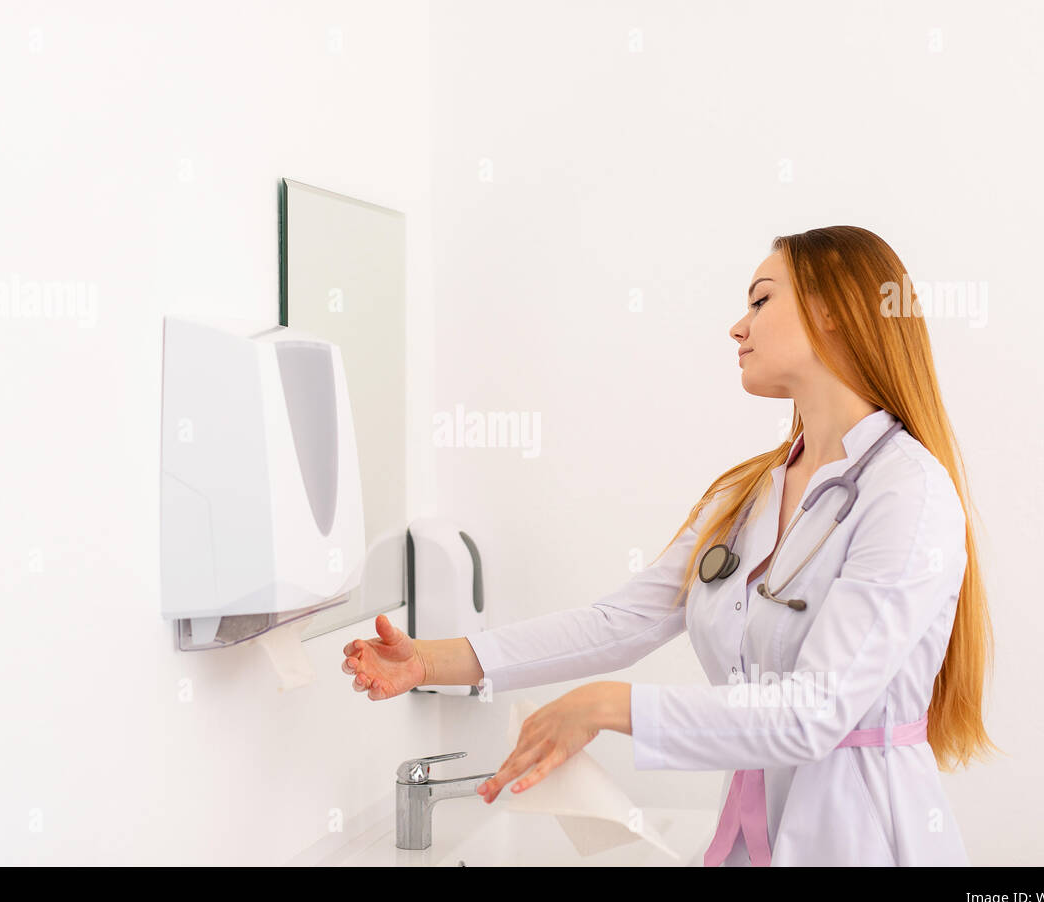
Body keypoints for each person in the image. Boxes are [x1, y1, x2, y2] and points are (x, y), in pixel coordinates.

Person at [341, 224, 998, 866]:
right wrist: (427, 662)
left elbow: (815, 710)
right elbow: (621, 622)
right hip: (747, 835)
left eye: (761, 300)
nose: (737, 327)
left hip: (864, 838)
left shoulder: (908, 494)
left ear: (833, 310)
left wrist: (608, 706)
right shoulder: (748, 495)